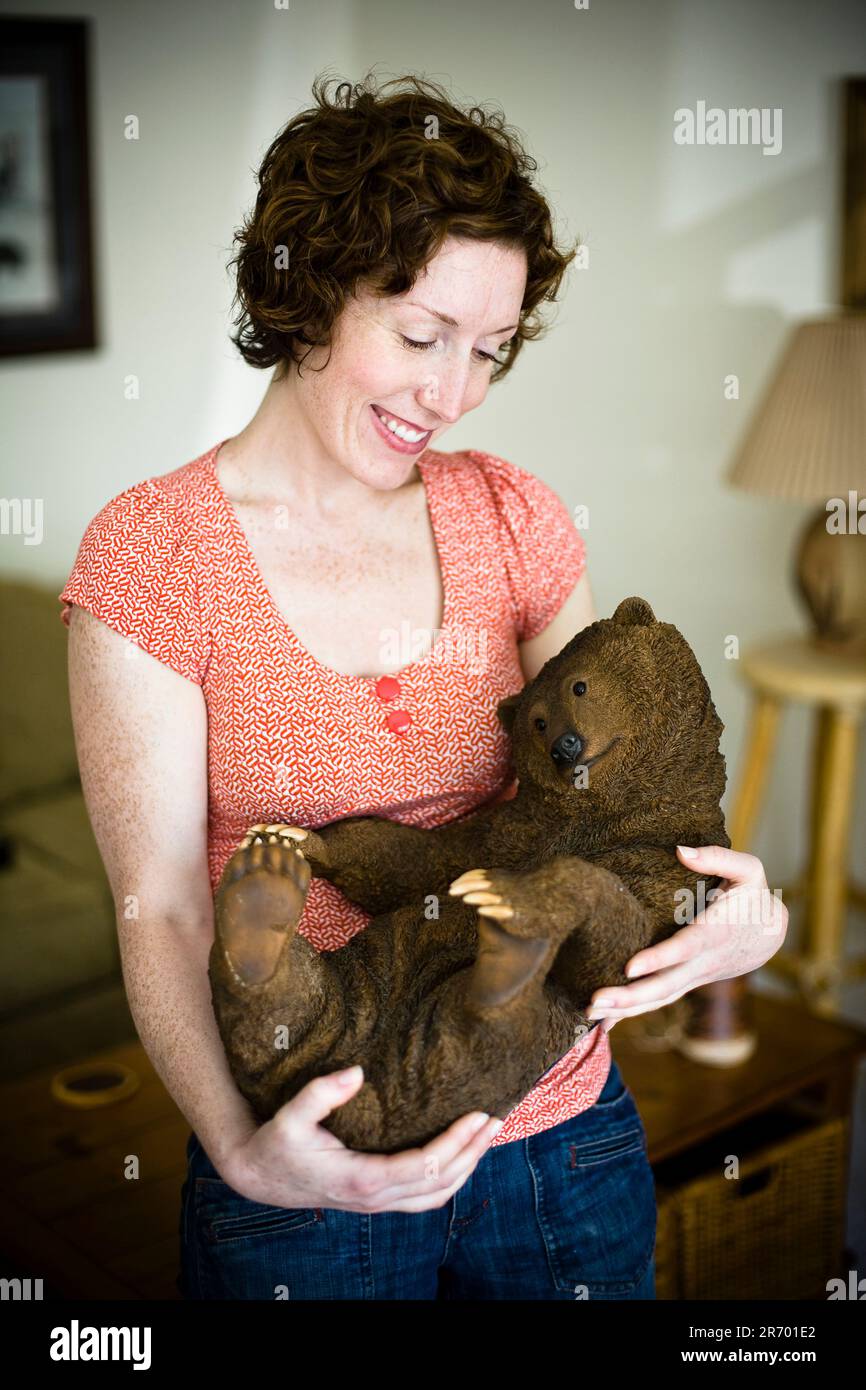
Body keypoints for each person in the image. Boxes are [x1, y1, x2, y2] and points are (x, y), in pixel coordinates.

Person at [59, 72, 788, 1301]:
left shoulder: (511, 517)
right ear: (310, 293)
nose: (450, 395)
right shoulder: (153, 556)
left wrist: (733, 921)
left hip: (564, 1139)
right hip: (313, 1156)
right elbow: (165, 907)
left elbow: (617, 786)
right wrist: (246, 1155)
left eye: (489, 351)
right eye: (419, 336)